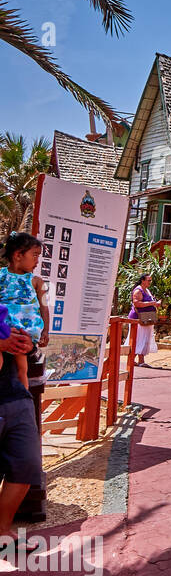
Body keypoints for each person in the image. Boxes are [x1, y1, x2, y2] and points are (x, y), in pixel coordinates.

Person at [0, 326, 41, 552]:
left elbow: (29, 354)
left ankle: (3, 531)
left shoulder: (13, 302)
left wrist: (29, 345)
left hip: (16, 398)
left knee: (26, 465)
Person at [0, 233, 49, 388]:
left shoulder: (37, 281)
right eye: (34, 255)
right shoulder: (1, 276)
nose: (37, 260)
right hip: (4, 331)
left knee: (22, 370)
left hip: (24, 334)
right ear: (18, 255)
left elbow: (44, 307)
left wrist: (46, 331)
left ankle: (24, 397)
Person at [129, 273, 159, 366]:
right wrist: (151, 303)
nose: (150, 282)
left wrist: (155, 303)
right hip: (138, 319)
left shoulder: (147, 290)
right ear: (143, 280)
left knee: (144, 338)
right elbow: (136, 303)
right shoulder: (138, 290)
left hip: (146, 317)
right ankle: (133, 360)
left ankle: (140, 360)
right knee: (138, 338)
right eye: (148, 280)